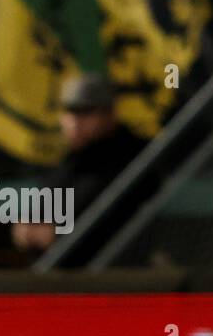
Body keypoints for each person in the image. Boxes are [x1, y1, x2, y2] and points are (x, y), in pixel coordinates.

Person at [11, 73, 156, 260]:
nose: (75, 121)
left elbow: (113, 217)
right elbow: (41, 208)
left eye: (85, 112)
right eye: (69, 111)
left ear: (109, 114)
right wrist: (27, 226)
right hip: (67, 277)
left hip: (116, 273)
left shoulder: (130, 154)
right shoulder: (71, 159)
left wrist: (57, 233)